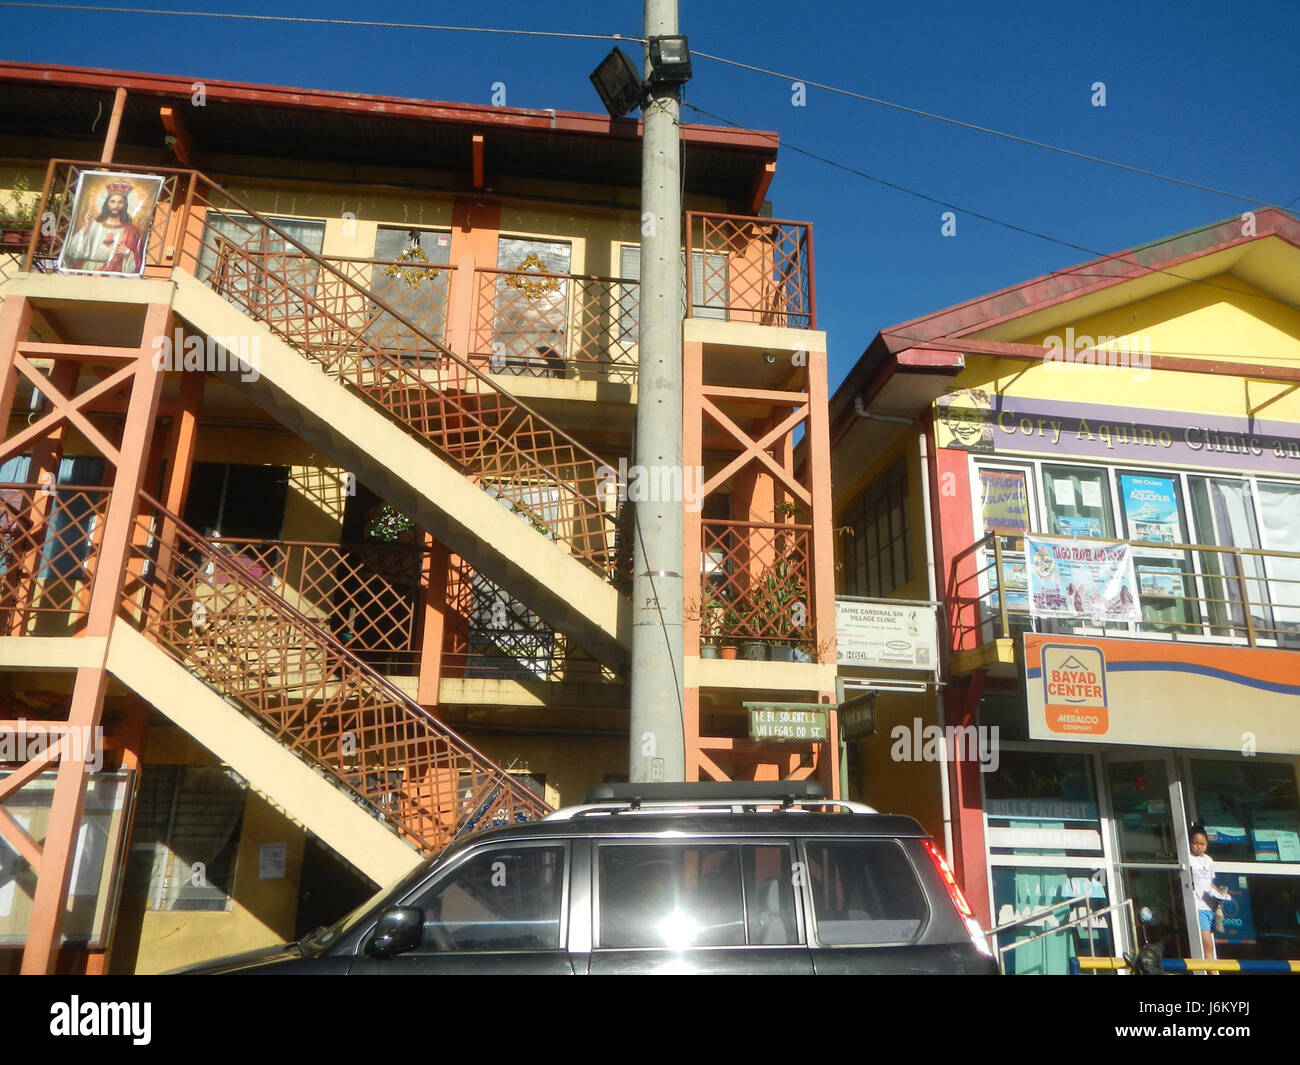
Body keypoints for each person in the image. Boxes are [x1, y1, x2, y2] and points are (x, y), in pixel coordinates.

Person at [62, 181, 146, 274]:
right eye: (112, 201)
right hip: (88, 270)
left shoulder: (132, 231)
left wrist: (127, 252)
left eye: (120, 202)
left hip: (114, 273)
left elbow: (138, 259)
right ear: (106, 204)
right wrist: (87, 226)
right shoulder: (94, 225)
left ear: (125, 205)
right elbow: (73, 250)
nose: (116, 206)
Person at [1189, 826, 1231, 963]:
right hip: (1197, 905)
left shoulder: (1208, 860)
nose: (1199, 847)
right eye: (1196, 843)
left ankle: (1211, 968)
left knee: (1210, 944)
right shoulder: (1188, 859)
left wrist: (1221, 893)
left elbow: (1210, 883)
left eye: (1202, 844)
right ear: (1190, 842)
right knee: (1207, 943)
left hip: (1209, 906)